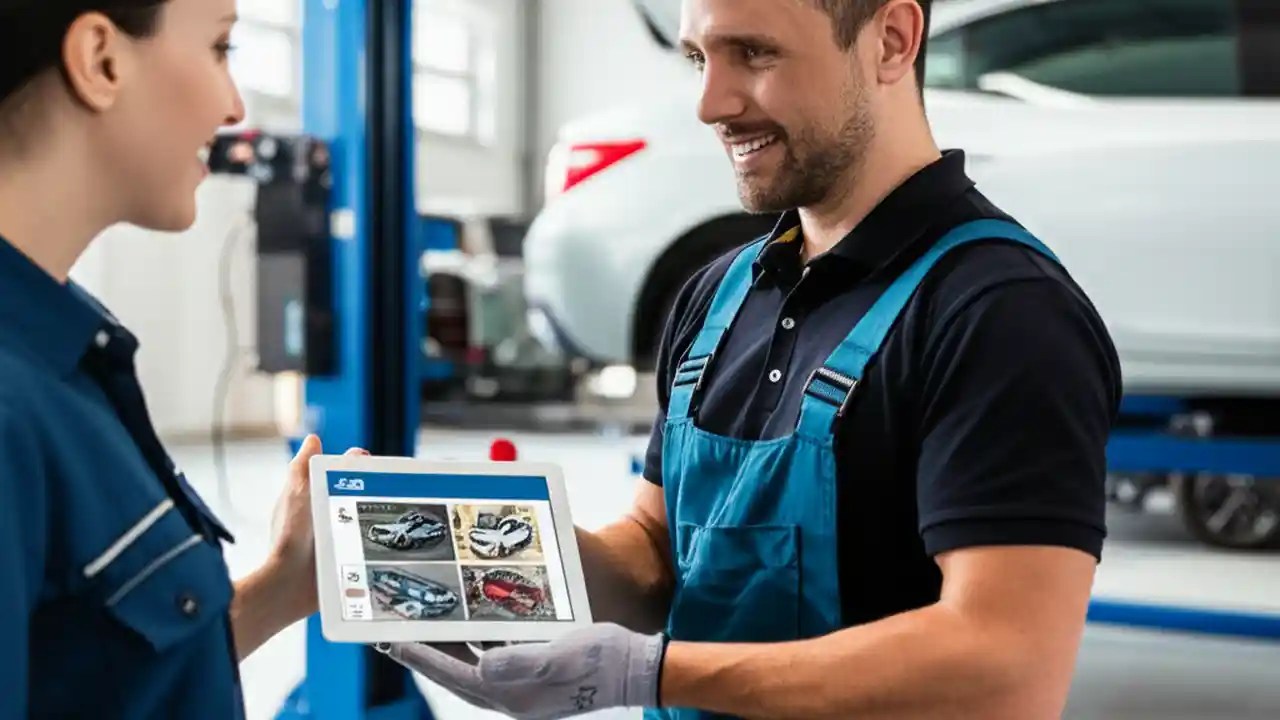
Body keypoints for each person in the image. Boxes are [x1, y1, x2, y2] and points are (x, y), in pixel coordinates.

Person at [380, 0, 1123, 718]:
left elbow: (1006, 670)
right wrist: (447, 552)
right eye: (698, 58)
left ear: (892, 40)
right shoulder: (717, 295)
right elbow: (655, 555)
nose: (711, 104)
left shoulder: (999, 311)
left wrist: (647, 674)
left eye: (755, 53)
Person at [0, 1, 360, 717]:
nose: (234, 108)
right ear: (101, 61)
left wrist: (282, 588)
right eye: (221, 48)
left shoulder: (67, 354)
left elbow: (85, 680)